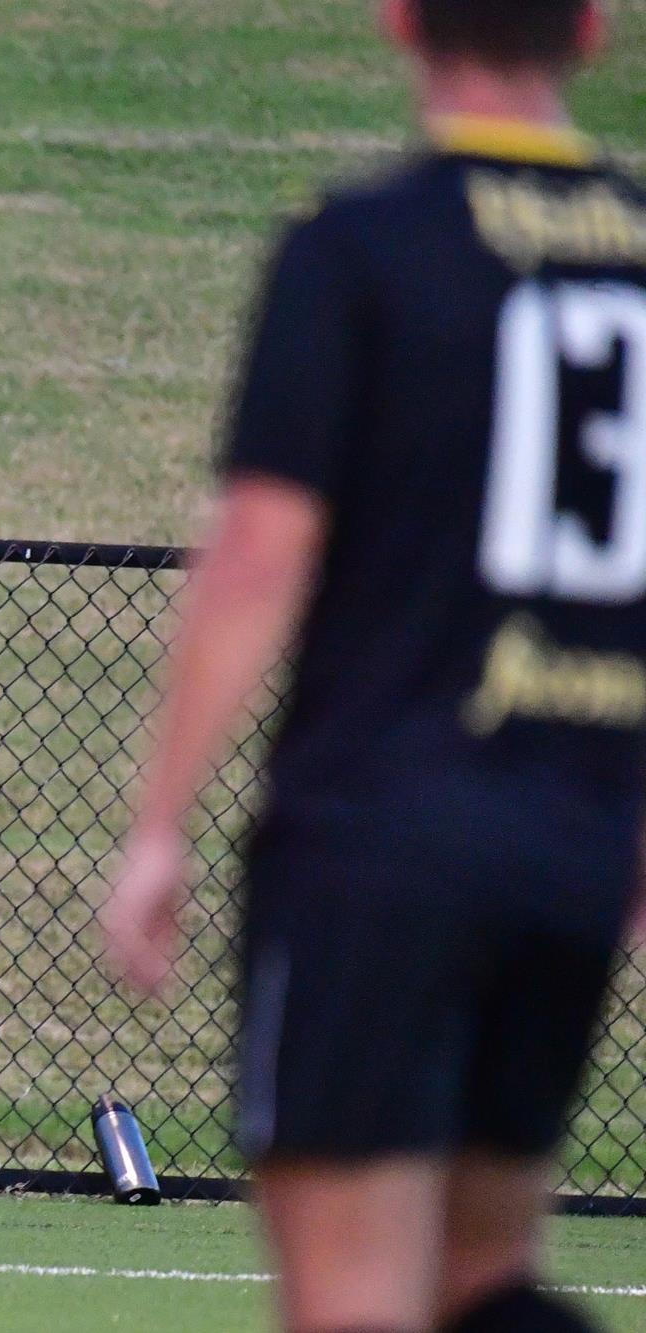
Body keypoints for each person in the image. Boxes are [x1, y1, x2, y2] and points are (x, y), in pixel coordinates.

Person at [101, 2, 644, 1329]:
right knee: (481, 1279)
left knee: (356, 1302)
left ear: (399, 21)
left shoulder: (361, 248)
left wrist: (161, 823)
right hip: (573, 844)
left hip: (377, 843)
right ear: (590, 31)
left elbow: (259, 554)